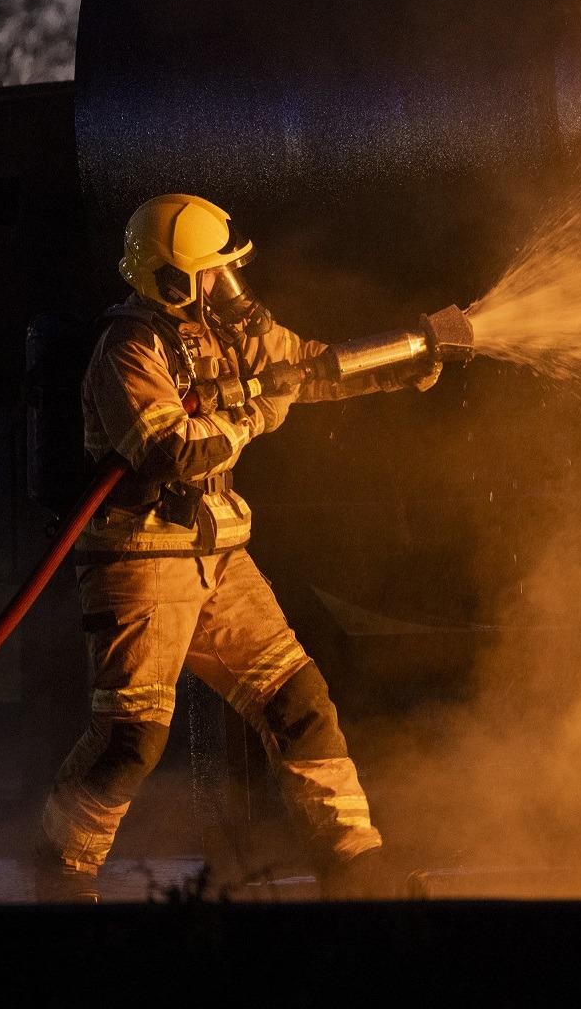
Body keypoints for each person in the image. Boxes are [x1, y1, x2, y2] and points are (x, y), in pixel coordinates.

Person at [34, 193, 437, 902]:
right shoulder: (129, 349)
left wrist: (413, 352)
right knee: (132, 740)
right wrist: (254, 407)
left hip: (218, 556)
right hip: (141, 563)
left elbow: (314, 366)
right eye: (214, 274)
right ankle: (62, 873)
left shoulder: (218, 331)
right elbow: (169, 450)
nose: (229, 288)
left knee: (298, 701)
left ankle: (353, 867)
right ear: (173, 278)